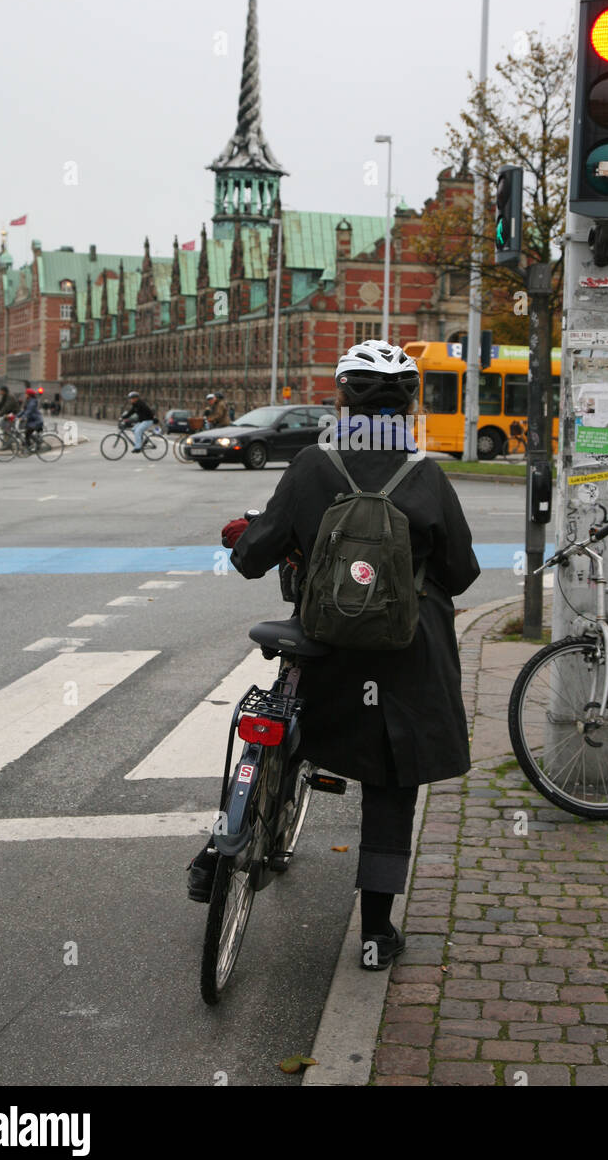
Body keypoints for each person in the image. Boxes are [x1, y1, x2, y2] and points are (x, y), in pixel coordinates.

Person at [189, 340, 480, 971]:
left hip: (328, 648)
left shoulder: (313, 468)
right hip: (406, 655)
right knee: (391, 778)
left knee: (286, 727)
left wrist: (251, 537)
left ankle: (225, 842)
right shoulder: (427, 473)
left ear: (343, 398)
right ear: (408, 406)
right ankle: (376, 934)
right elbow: (461, 573)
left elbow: (250, 559)